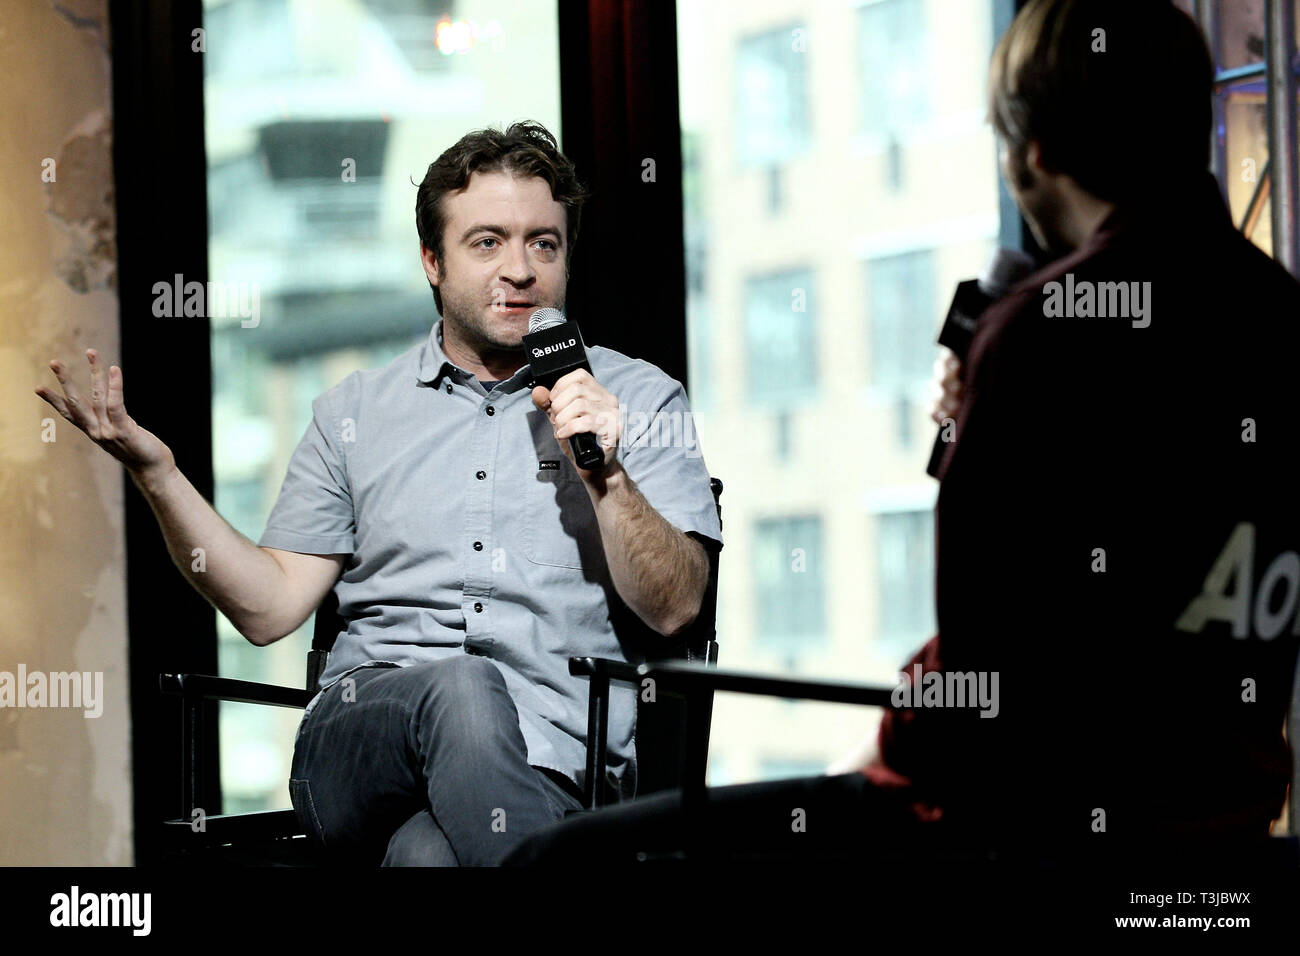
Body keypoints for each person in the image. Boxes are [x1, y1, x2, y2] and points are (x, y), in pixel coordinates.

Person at [502, 0, 1300, 866]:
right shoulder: (1281, 315)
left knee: (557, 864)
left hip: (1017, 825)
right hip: (1222, 823)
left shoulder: (1041, 333)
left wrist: (889, 743)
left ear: (1031, 152)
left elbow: (992, 677)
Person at [35, 121, 723, 866]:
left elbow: (677, 605)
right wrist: (158, 475)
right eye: (487, 242)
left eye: (543, 243)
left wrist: (606, 475)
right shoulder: (354, 414)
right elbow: (268, 609)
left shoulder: (640, 402)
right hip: (360, 750)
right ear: (433, 260)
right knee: (462, 686)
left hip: (548, 772)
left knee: (427, 857)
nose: (521, 269)